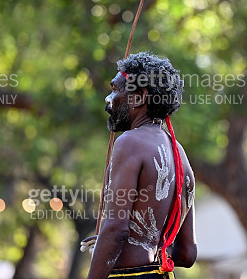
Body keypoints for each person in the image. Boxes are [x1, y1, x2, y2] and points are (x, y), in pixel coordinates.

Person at [81, 52, 197, 279]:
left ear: (139, 97)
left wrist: (113, 243)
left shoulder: (130, 143)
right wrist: (140, 244)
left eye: (116, 89)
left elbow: (116, 230)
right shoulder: (180, 156)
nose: (108, 98)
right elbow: (187, 254)